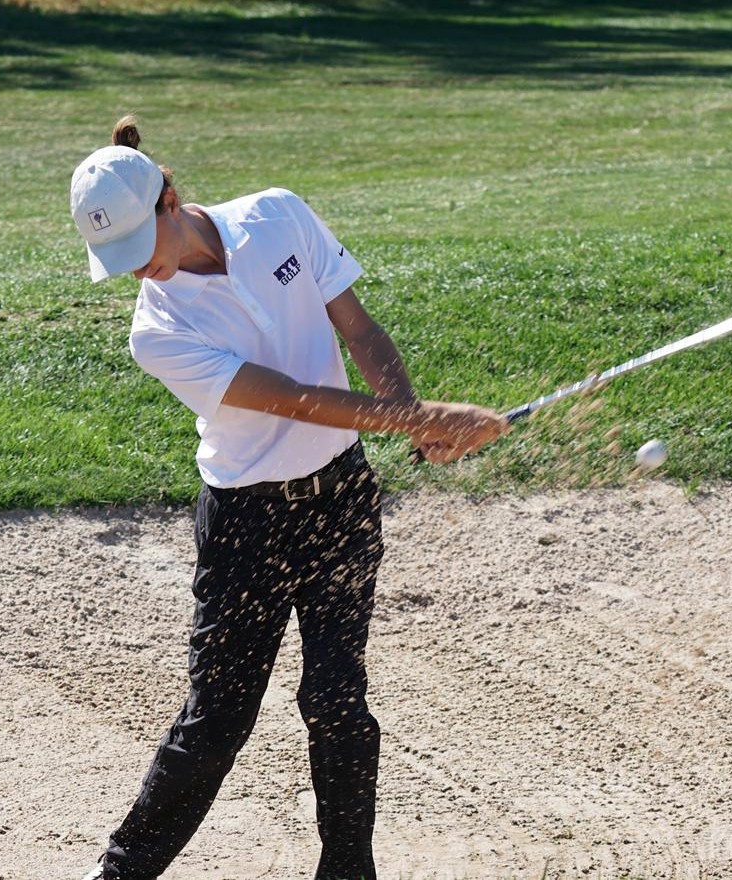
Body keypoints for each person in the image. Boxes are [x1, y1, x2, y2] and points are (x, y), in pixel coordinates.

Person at [67, 117, 508, 880]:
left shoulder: (279, 214)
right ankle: (120, 873)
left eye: (142, 251)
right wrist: (422, 416)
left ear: (170, 198)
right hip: (249, 522)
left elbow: (359, 328)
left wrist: (413, 419)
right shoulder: (156, 332)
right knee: (217, 723)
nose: (141, 273)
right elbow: (293, 398)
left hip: (340, 501)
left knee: (337, 700)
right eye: (121, 263)